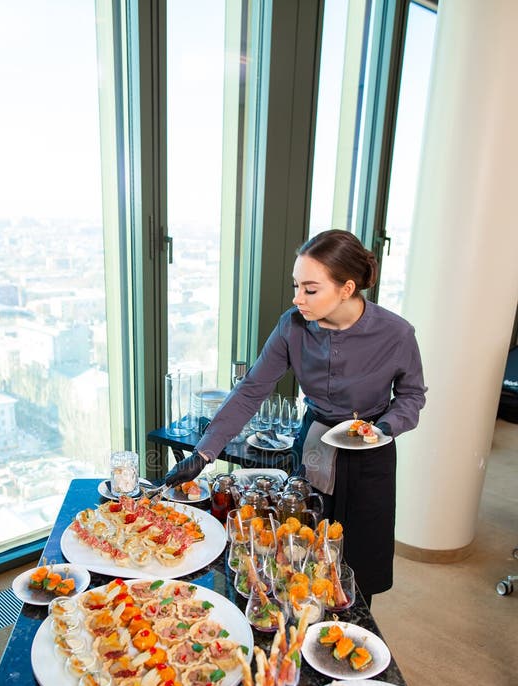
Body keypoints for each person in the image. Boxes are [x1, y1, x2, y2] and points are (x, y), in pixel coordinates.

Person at [164, 229, 427, 606]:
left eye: (310, 288)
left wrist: (385, 427)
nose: (296, 297)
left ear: (346, 288)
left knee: (358, 566)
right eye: (296, 286)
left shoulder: (397, 334)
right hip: (315, 445)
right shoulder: (292, 326)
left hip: (372, 456)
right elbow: (251, 390)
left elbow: (412, 395)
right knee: (299, 548)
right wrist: (203, 454)